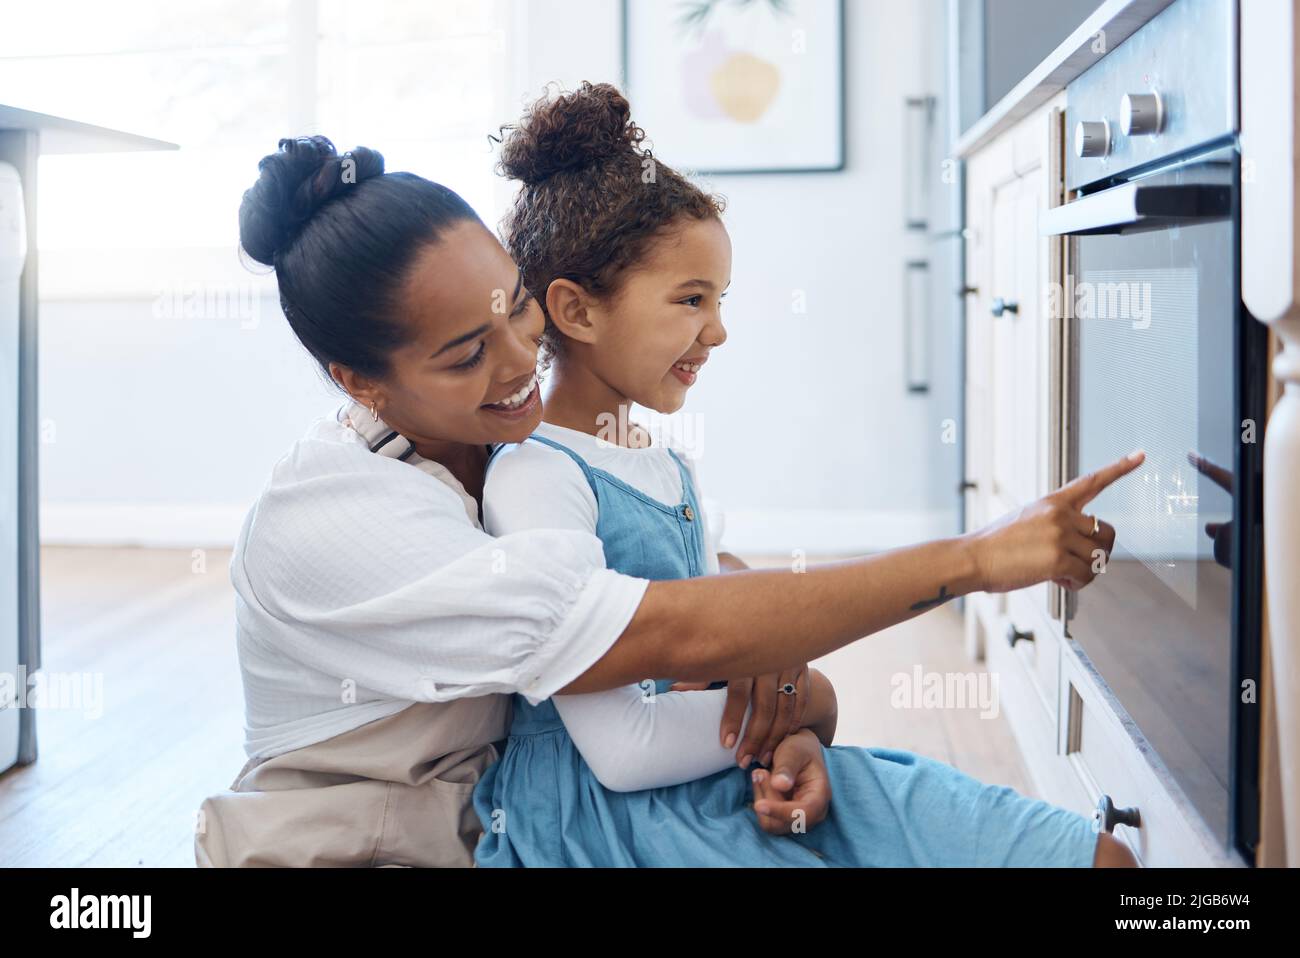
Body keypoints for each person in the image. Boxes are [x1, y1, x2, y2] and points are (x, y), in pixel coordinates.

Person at [194, 127, 1141, 868]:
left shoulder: (529, 445)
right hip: (400, 845)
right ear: (358, 381)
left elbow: (684, 583)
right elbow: (653, 641)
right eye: (467, 353)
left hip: (547, 808)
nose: (523, 359)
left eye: (515, 305)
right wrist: (972, 561)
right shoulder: (339, 517)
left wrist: (774, 673)